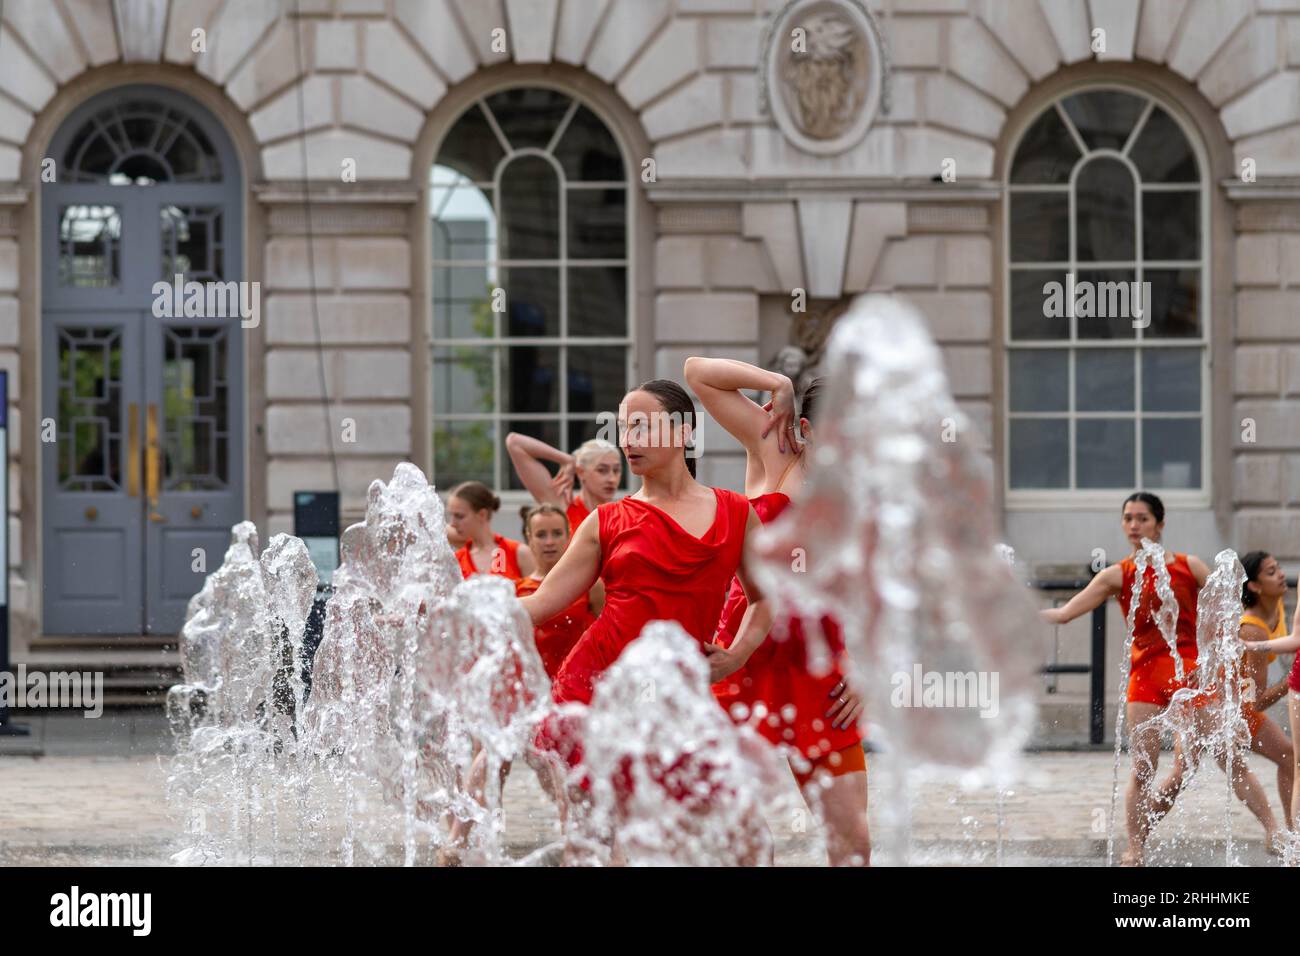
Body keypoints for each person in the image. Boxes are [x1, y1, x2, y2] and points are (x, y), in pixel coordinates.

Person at [515, 380, 772, 858]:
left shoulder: (736, 512)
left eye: (641, 426)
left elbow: (763, 597)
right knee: (603, 836)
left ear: (681, 432)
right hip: (594, 690)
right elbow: (542, 601)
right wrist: (472, 606)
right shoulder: (607, 520)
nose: (628, 440)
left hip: (677, 698)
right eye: (623, 428)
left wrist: (738, 654)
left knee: (750, 838)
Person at [684, 356, 870, 866]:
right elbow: (697, 373)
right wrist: (777, 384)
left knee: (852, 845)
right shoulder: (775, 448)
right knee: (744, 842)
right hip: (741, 656)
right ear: (807, 429)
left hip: (821, 668)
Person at [1041, 493, 1210, 866]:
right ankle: (1135, 848)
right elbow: (1067, 613)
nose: (1134, 525)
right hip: (1145, 678)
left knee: (1187, 765)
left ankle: (1144, 823)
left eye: (1143, 518)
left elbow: (1225, 603)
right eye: (1128, 518)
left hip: (1190, 674)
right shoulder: (1117, 574)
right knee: (1142, 767)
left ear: (1160, 524)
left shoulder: (1190, 566)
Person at [440, 504, 604, 865]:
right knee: (490, 760)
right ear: (528, 539)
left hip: (571, 695)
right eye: (541, 534)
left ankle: (573, 845)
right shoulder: (517, 590)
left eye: (557, 533)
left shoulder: (591, 588)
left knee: (561, 774)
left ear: (570, 537)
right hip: (527, 697)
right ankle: (454, 844)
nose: (549, 542)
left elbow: (614, 625)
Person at [1234, 551, 1295, 829]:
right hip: (1220, 705)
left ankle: (1285, 835)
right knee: (1179, 774)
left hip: (1238, 705)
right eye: (1271, 572)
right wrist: (1292, 680)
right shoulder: (1252, 629)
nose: (1281, 574)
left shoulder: (1278, 606)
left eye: (1279, 567)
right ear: (1254, 586)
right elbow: (1256, 702)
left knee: (1288, 756)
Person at [505, 433, 622, 536]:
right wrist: (566, 459)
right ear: (581, 472)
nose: (612, 479)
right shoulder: (563, 505)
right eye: (602, 470)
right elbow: (514, 442)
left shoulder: (622, 514)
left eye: (616, 470)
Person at [446, 481, 534, 581]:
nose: (452, 523)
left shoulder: (518, 553)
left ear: (482, 514)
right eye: (451, 515)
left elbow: (538, 594)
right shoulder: (457, 560)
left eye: (459, 516)